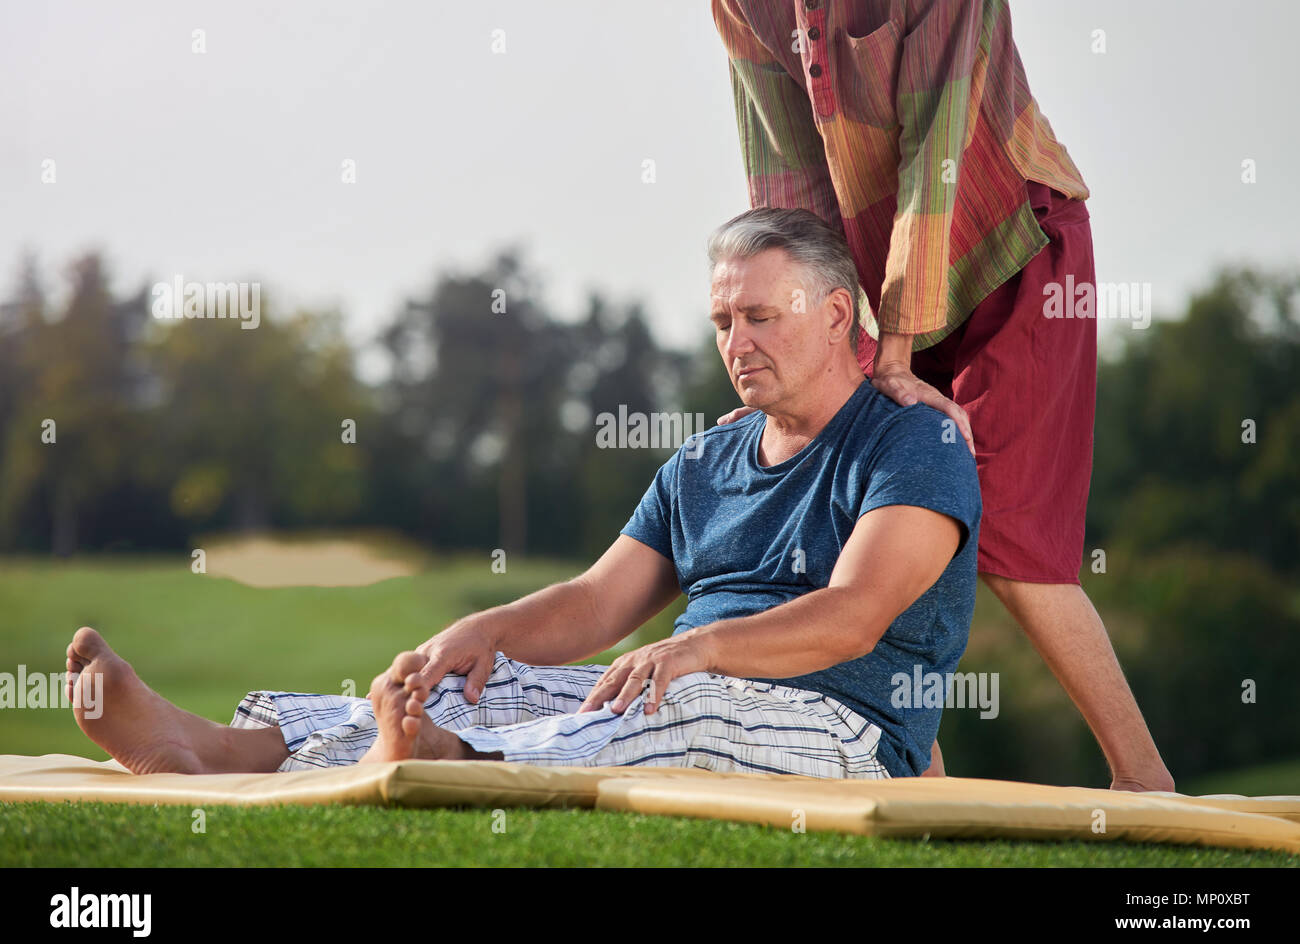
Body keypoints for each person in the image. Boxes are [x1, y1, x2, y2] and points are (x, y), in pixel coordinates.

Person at [65, 208, 979, 779]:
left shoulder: (913, 440)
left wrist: (696, 648)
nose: (736, 340)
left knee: (674, 708)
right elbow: (597, 600)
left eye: (760, 317)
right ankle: (211, 749)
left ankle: (444, 765)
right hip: (684, 684)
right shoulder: (704, 461)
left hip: (845, 730)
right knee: (501, 685)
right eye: (722, 321)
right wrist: (486, 634)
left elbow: (855, 615)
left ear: (833, 315)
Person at [711, 0, 1173, 790]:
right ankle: (919, 773)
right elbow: (790, 184)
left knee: (1007, 533)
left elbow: (938, 148)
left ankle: (1144, 778)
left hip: (1012, 241)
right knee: (879, 509)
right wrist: (809, 360)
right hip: (875, 264)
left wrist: (893, 348)